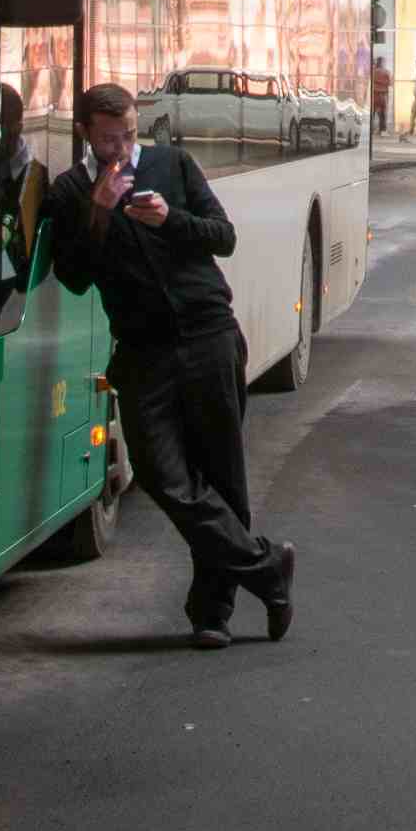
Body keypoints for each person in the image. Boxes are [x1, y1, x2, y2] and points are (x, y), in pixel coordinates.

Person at [47, 80, 294, 647]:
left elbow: (223, 238)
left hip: (210, 334)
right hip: (142, 349)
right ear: (86, 133)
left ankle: (214, 613)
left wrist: (169, 220)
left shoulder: (172, 164)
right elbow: (75, 275)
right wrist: (100, 213)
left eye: (130, 134)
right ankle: (265, 567)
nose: (122, 148)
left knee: (222, 473)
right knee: (162, 474)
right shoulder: (69, 192)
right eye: (109, 139)